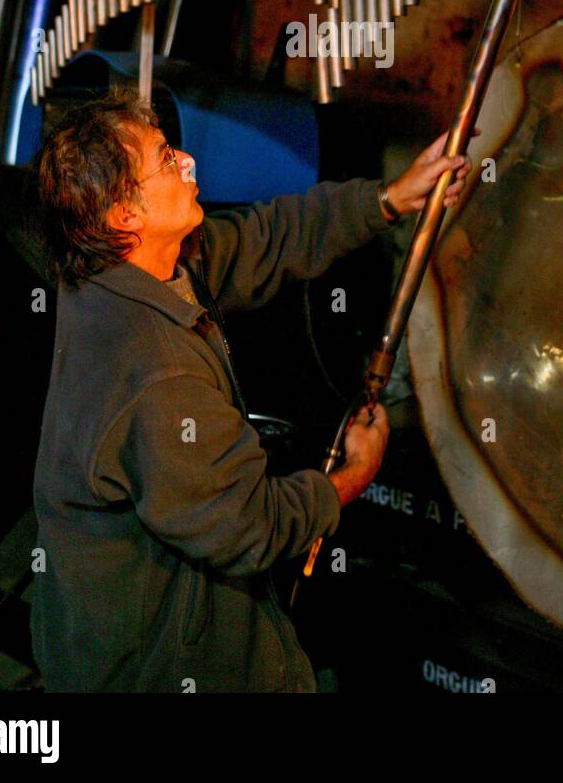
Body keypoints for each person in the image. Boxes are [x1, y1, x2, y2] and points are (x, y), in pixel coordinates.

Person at [30, 85, 472, 692]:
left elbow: (271, 238)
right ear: (124, 214)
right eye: (164, 158)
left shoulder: (117, 271)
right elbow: (252, 527)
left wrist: (389, 199)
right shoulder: (158, 376)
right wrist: (349, 479)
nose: (186, 162)